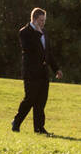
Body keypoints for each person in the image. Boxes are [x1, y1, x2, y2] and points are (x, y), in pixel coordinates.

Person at [11, 7, 63, 135]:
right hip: (31, 73)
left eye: (44, 20)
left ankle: (39, 128)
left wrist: (56, 69)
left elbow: (48, 53)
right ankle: (16, 122)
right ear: (33, 19)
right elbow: (31, 50)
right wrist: (39, 33)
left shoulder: (44, 32)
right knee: (30, 99)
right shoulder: (24, 32)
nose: (43, 23)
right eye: (40, 20)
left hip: (43, 73)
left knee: (41, 102)